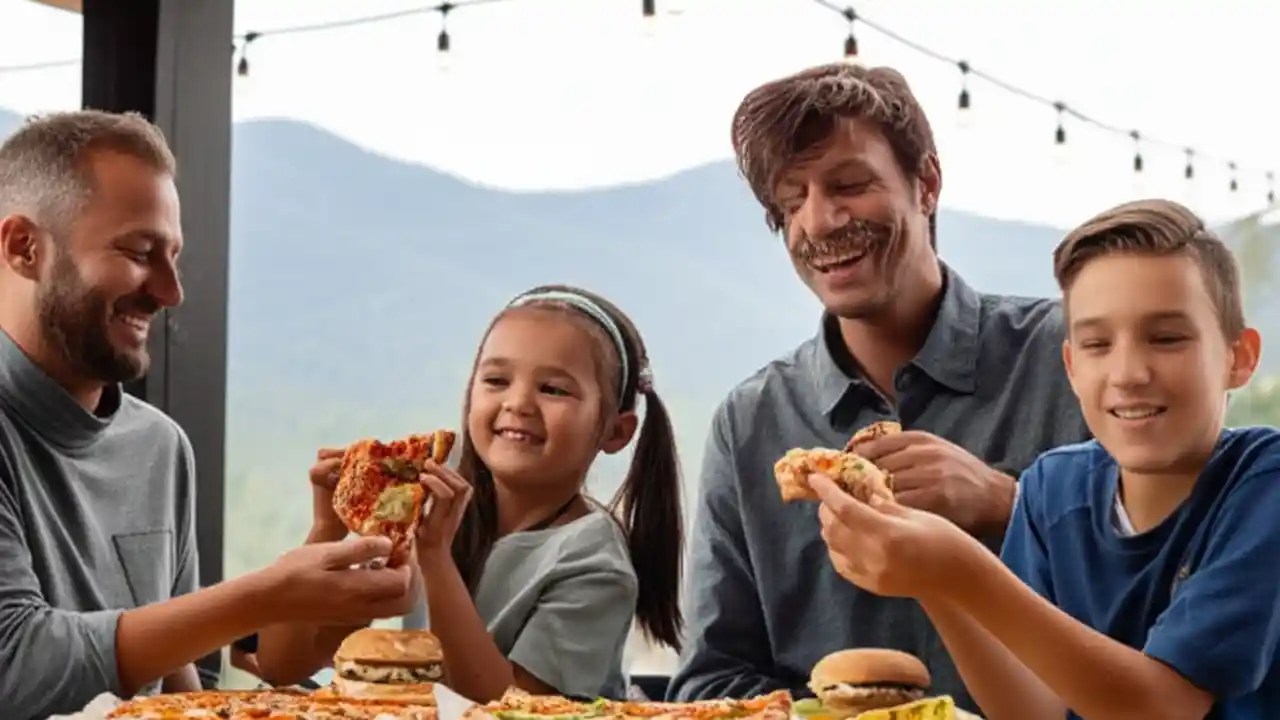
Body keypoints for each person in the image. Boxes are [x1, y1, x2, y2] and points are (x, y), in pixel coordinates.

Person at [666, 62, 1091, 709]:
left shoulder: (1075, 358)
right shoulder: (751, 423)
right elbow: (713, 680)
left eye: (849, 184)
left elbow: (1169, 587)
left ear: (927, 184)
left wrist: (1008, 503)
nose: (820, 221)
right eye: (791, 200)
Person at [0, 110, 417, 720]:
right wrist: (266, 597)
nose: (170, 292)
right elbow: (15, 667)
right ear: (23, 247)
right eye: (141, 252)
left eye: (174, 256)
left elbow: (173, 681)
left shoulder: (158, 446)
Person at [812, 198, 1279, 718]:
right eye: (1098, 344)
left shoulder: (1263, 487)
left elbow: (1162, 707)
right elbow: (1032, 711)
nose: (1127, 372)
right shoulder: (1049, 489)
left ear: (1239, 358)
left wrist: (964, 570)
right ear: (1072, 366)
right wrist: (934, 584)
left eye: (1167, 338)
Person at [257, 284, 685, 702]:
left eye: (553, 389)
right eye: (497, 380)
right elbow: (284, 666)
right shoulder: (425, 509)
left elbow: (511, 708)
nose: (518, 402)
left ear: (615, 431)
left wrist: (436, 558)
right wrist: (327, 529)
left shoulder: (594, 562)